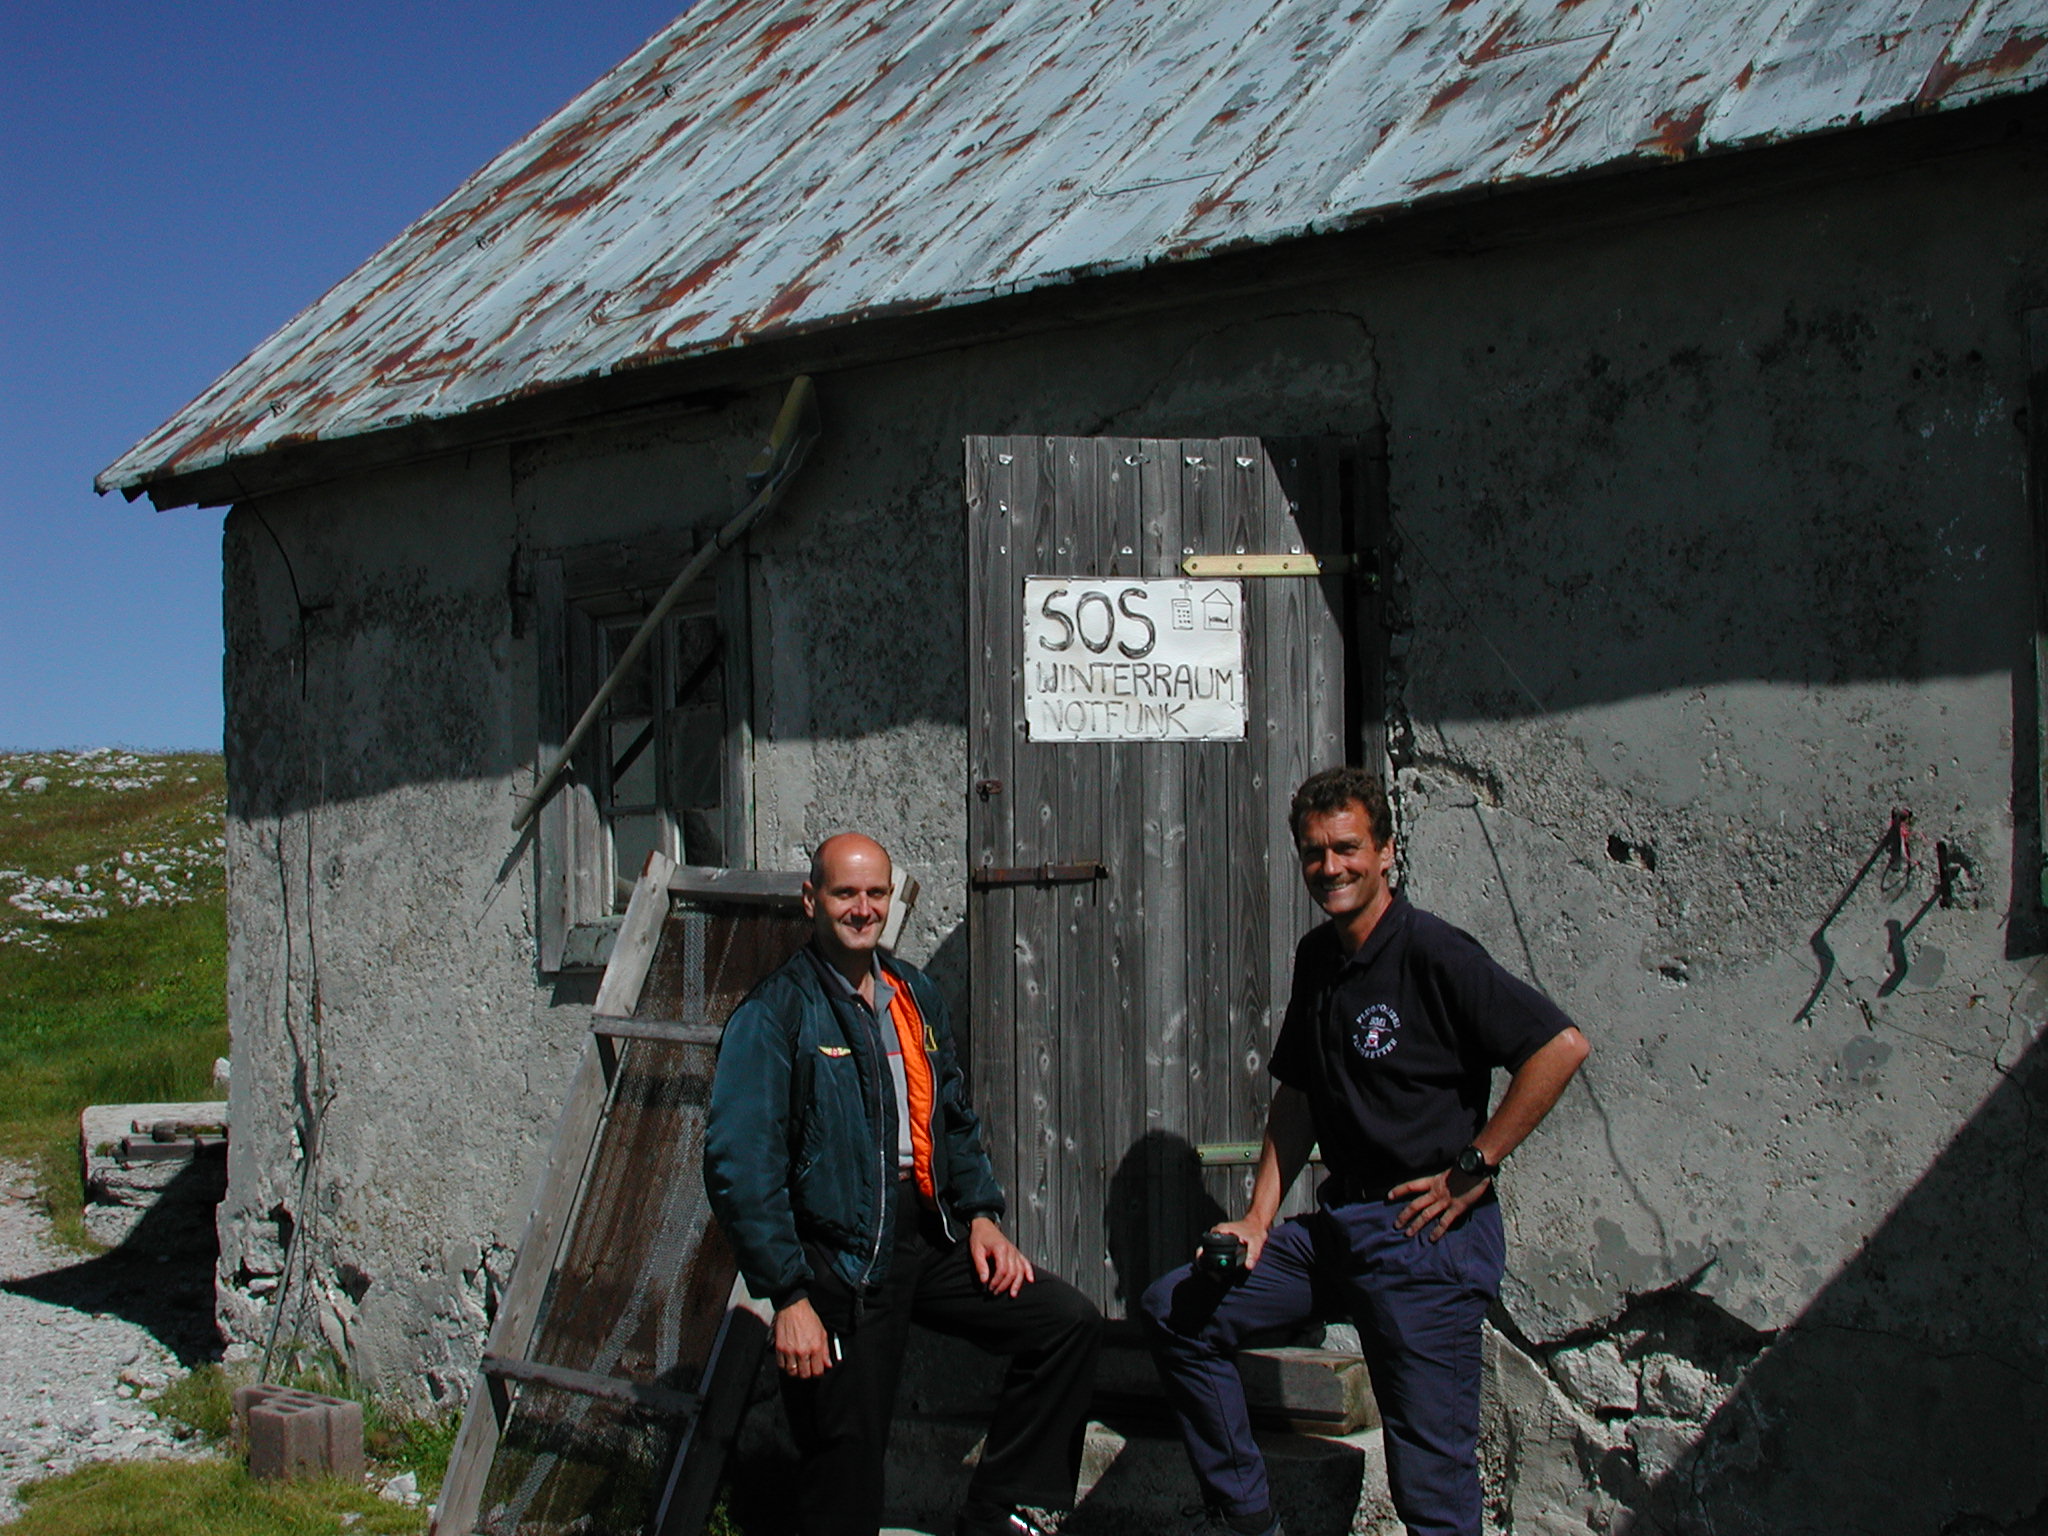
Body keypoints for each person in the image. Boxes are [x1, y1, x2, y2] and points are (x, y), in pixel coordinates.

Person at [1142, 767, 1590, 1536]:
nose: (1331, 867)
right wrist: (1256, 1217)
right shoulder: (1320, 958)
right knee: (1177, 1312)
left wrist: (1474, 1168)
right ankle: (1246, 1520)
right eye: (1314, 853)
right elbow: (1300, 1096)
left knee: (1431, 1482)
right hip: (1340, 1226)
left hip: (1425, 1237)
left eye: (1347, 848)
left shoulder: (1434, 952)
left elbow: (1559, 1046)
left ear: (1386, 852)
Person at [705, 833, 1101, 1536]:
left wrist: (980, 1215)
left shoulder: (912, 992)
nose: (863, 908)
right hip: (840, 1258)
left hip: (927, 1232)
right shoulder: (776, 1012)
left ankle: (995, 1511)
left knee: (1064, 1323)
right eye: (845, 893)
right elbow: (741, 1166)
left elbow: (949, 1113)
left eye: (876, 893)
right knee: (846, 1466)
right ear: (811, 901)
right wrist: (788, 1294)